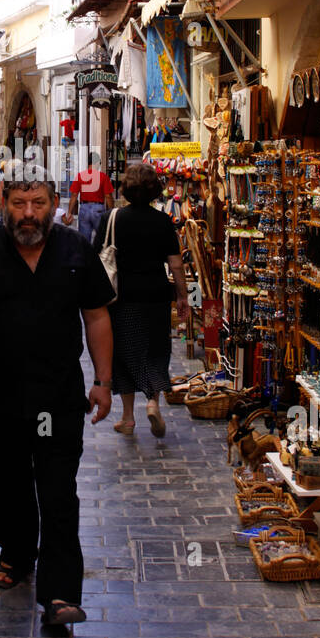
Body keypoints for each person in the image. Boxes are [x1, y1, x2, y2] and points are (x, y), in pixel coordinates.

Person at [0, 166, 114, 625]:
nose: (28, 214)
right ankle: (15, 552)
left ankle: (61, 593)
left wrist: (103, 382)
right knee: (9, 482)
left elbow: (97, 318)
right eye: (19, 204)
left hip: (59, 398)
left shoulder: (75, 251)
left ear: (54, 204)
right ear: (4, 203)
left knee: (58, 493)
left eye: (38, 204)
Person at [94, 162, 188, 437]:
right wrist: (182, 296)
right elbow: (176, 264)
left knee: (124, 354)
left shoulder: (111, 219)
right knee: (155, 351)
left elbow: (95, 258)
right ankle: (152, 402)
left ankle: (127, 418)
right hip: (156, 296)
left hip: (122, 298)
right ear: (155, 190)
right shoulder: (162, 221)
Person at [62, 151, 115, 243]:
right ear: (97, 163)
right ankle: (100, 256)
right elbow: (108, 196)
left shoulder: (80, 176)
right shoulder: (103, 177)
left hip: (84, 208)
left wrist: (69, 212)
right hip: (98, 209)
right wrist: (111, 211)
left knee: (84, 241)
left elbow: (74, 195)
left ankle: (86, 257)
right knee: (103, 239)